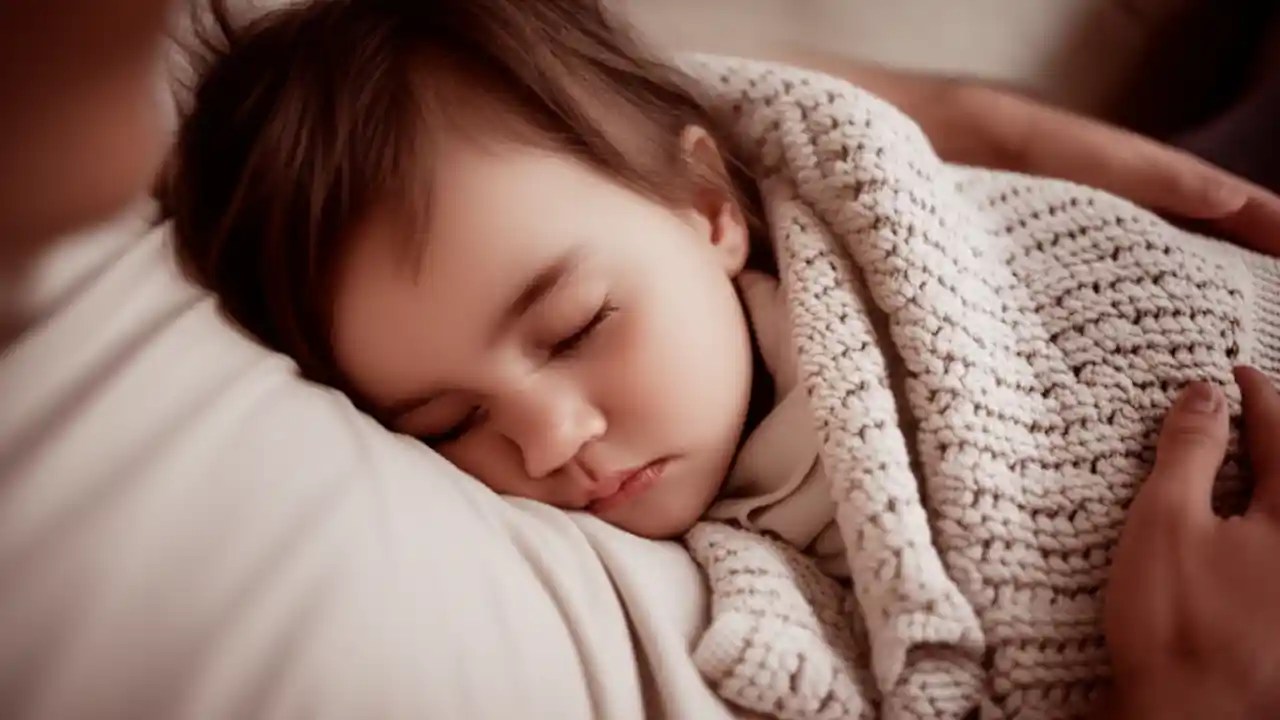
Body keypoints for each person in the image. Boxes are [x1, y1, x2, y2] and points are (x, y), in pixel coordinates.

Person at [4, 0, 1280, 717]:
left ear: (711, 207)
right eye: (444, 423)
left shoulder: (897, 278)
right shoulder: (734, 585)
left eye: (571, 328)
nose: (548, 437)